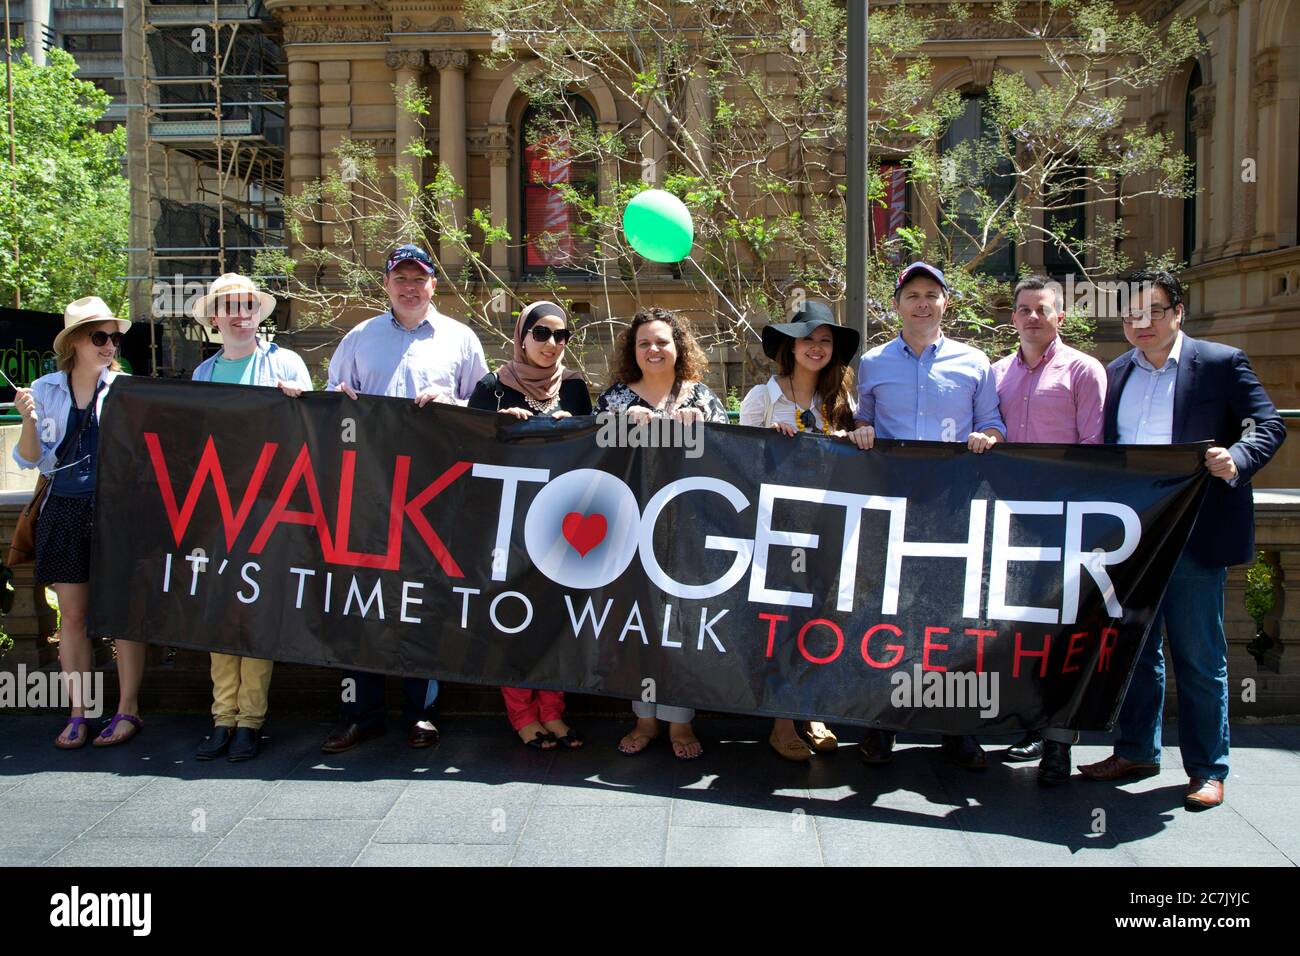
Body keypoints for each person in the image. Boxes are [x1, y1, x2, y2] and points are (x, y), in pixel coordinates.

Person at [1079, 270, 1285, 810]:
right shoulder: (1113, 372)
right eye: (1129, 314)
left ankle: (1207, 769)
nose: (1140, 323)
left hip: (1195, 535)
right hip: (1132, 542)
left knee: (1199, 656)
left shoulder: (1220, 363)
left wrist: (1236, 458)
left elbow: (1268, 425)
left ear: (1178, 313)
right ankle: (1135, 751)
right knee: (1136, 654)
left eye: (1152, 311)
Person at [320, 243, 489, 754]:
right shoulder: (358, 338)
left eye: (419, 278)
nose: (410, 287)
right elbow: (328, 405)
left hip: (434, 497)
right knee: (361, 603)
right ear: (387, 285)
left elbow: (481, 415)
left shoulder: (460, 340)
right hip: (366, 492)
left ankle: (423, 713)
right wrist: (337, 402)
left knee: (425, 601)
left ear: (433, 284)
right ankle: (361, 713)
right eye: (401, 279)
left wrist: (453, 404)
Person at [853, 261, 1006, 771]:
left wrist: (990, 437)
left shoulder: (975, 362)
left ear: (945, 304)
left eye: (931, 295)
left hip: (951, 513)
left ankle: (955, 729)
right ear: (896, 304)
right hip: (892, 511)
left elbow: (992, 422)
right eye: (912, 294)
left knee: (950, 622)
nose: (922, 303)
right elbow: (861, 422)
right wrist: (861, 432)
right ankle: (883, 726)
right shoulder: (873, 363)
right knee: (888, 619)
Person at [189, 273, 314, 762]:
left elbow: (312, 435)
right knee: (221, 611)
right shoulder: (203, 376)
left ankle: (250, 721)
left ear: (258, 312)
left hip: (270, 507)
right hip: (217, 507)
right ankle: (222, 717)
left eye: (247, 305)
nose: (240, 314)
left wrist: (296, 407)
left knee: (256, 609)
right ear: (215, 317)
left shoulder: (287, 363)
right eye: (230, 306)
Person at [740, 299, 871, 761]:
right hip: (778, 531)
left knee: (822, 617)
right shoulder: (761, 397)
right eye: (807, 339)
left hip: (829, 529)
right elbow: (738, 465)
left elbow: (860, 464)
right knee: (782, 619)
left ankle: (809, 706)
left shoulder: (842, 402)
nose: (816, 347)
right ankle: (780, 720)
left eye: (824, 340)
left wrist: (857, 438)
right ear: (790, 347)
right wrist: (768, 443)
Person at [12, 297, 145, 749]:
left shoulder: (126, 388)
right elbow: (30, 459)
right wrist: (27, 420)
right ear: (75, 342)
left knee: (122, 616)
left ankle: (128, 709)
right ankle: (79, 712)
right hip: (64, 510)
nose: (110, 345)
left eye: (114, 337)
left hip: (117, 512)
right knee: (72, 616)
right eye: (99, 336)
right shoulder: (44, 388)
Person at [596, 306, 727, 760]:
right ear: (633, 351)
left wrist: (702, 430)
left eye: (662, 341)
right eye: (644, 343)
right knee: (640, 625)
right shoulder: (615, 399)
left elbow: (731, 459)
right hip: (631, 532)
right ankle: (645, 718)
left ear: (679, 347)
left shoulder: (703, 397)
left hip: (689, 532)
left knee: (681, 626)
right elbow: (591, 460)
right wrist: (620, 429)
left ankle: (680, 722)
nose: (653, 350)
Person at [991, 275, 1106, 784]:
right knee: (1025, 633)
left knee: (1067, 634)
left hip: (1067, 524)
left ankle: (1060, 744)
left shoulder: (1084, 370)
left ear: (1060, 316)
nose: (1032, 317)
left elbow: (1094, 449)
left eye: (1042, 309)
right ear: (1012, 317)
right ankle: (1032, 726)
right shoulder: (995, 374)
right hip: (1011, 524)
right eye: (1023, 310)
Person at [467, 300, 591, 750]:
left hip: (564, 523)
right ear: (521, 336)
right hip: (509, 524)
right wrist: (498, 428)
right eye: (541, 333)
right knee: (515, 616)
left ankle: (553, 711)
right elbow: (466, 448)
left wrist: (573, 425)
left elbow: (591, 447)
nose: (552, 344)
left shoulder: (575, 388)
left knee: (556, 618)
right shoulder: (491, 388)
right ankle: (522, 714)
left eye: (562, 336)